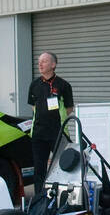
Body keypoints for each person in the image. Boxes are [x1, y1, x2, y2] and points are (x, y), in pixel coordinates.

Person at [26, 51, 74, 197]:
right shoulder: (34, 84)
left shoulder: (63, 85)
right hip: (39, 134)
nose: (40, 64)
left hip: (58, 133)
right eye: (39, 61)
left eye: (44, 61)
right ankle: (39, 199)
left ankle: (63, 197)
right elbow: (33, 106)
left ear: (53, 65)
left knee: (63, 166)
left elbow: (69, 108)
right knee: (39, 168)